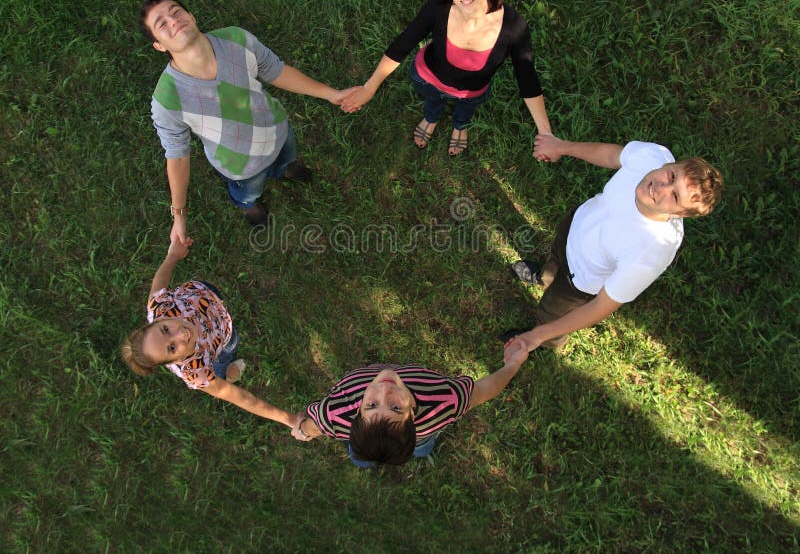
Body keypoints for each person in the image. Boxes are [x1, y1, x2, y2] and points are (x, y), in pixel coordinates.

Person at [140, 0, 357, 242]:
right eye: (162, 24)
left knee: (289, 159)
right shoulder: (167, 100)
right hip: (241, 168)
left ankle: (286, 169)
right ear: (159, 45)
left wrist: (332, 94)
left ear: (192, 16)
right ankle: (248, 205)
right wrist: (179, 216)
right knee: (248, 193)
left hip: (278, 131)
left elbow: (275, 70)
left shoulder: (236, 39)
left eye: (176, 11)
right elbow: (177, 157)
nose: (173, 20)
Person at [505, 134, 723, 352]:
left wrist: (537, 336)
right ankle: (545, 278)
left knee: (552, 311)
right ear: (668, 164)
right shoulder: (652, 156)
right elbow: (611, 155)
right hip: (573, 227)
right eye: (672, 175)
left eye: (675, 196)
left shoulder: (649, 253)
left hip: (578, 281)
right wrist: (562, 147)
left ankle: (545, 342)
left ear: (679, 214)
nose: (661, 187)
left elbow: (599, 307)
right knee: (554, 260)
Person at [340, 0, 553, 157]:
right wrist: (370, 87)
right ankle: (431, 117)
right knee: (433, 101)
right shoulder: (438, 8)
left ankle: (460, 125)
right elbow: (402, 45)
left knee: (466, 108)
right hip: (427, 80)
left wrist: (545, 133)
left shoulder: (513, 27)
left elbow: (527, 78)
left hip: (473, 93)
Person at [120, 239, 300, 431]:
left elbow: (160, 282)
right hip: (223, 337)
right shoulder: (195, 372)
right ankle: (226, 372)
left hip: (204, 293)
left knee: (212, 292)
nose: (180, 334)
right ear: (172, 362)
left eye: (165, 329)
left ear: (157, 321)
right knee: (226, 355)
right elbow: (241, 398)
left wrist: (172, 256)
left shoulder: (159, 307)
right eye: (172, 348)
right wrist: (289, 419)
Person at [289, 339, 529, 467]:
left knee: (360, 455)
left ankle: (365, 459)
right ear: (412, 418)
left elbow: (315, 427)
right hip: (422, 433)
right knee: (421, 445)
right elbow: (484, 390)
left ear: (358, 413)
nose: (384, 391)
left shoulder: (335, 414)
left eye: (371, 405)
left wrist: (302, 429)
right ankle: (419, 449)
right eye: (395, 407)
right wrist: (513, 364)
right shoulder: (445, 401)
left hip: (405, 435)